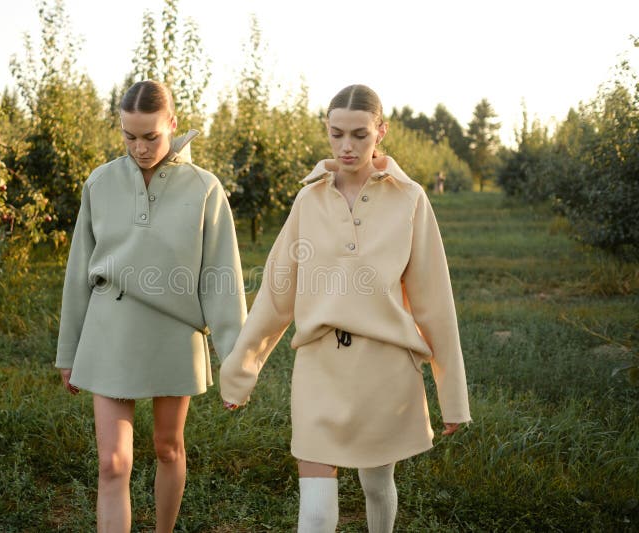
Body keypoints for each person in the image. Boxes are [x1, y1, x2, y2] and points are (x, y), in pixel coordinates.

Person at [219, 84, 471, 533]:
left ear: (381, 132)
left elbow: (435, 304)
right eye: (336, 134)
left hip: (386, 371)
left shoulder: (411, 199)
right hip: (319, 367)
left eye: (359, 134)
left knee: (377, 485)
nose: (347, 146)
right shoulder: (308, 200)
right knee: (314, 512)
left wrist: (452, 396)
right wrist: (240, 370)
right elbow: (277, 295)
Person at [56, 80, 246, 533]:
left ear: (173, 125)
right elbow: (79, 269)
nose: (140, 148)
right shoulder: (100, 183)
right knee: (112, 463)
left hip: (174, 334)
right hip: (110, 332)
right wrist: (69, 350)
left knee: (167, 447)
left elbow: (222, 279)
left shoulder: (205, 188)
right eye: (129, 136)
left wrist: (236, 363)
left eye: (150, 136)